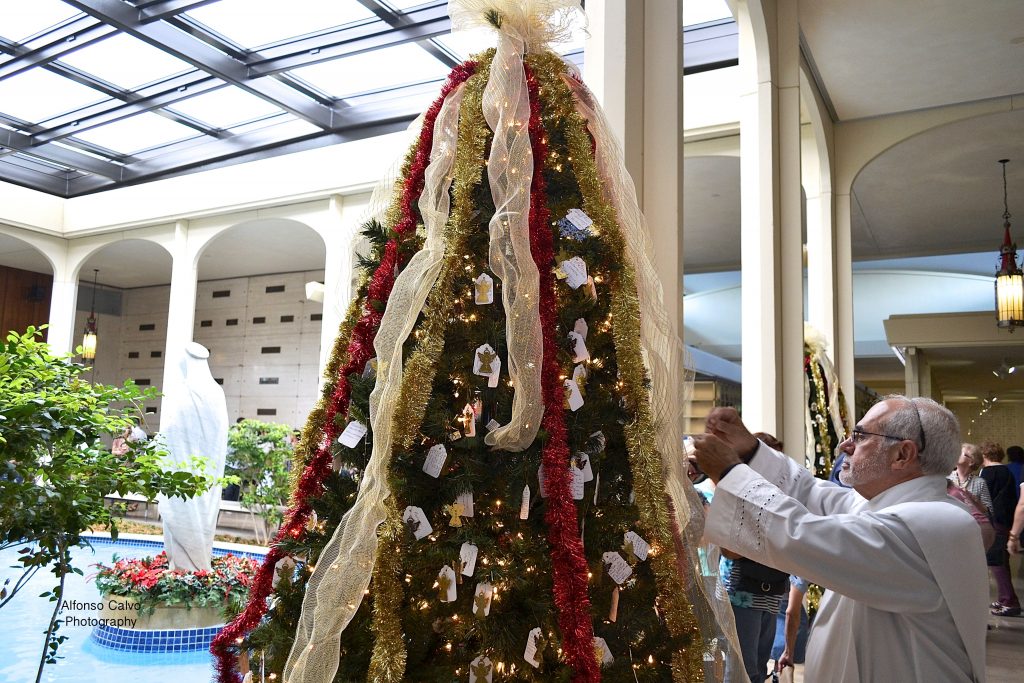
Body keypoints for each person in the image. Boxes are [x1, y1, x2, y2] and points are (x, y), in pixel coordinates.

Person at [692, 396, 988, 683]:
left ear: (902, 454)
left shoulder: (930, 525)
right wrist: (750, 449)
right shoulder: (884, 506)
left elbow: (800, 536)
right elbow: (809, 492)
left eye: (860, 435)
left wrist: (731, 472)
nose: (845, 445)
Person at [979, 441, 1021, 616]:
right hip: (1005, 520)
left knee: (996, 562)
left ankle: (1009, 601)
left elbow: (984, 498)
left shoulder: (986, 473)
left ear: (984, 455)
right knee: (1001, 561)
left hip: (993, 520)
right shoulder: (1007, 471)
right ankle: (1006, 598)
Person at [949, 443, 993, 515]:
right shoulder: (946, 478)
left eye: (961, 453)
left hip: (971, 523)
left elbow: (989, 512)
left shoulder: (980, 482)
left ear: (972, 462)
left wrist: (974, 500)